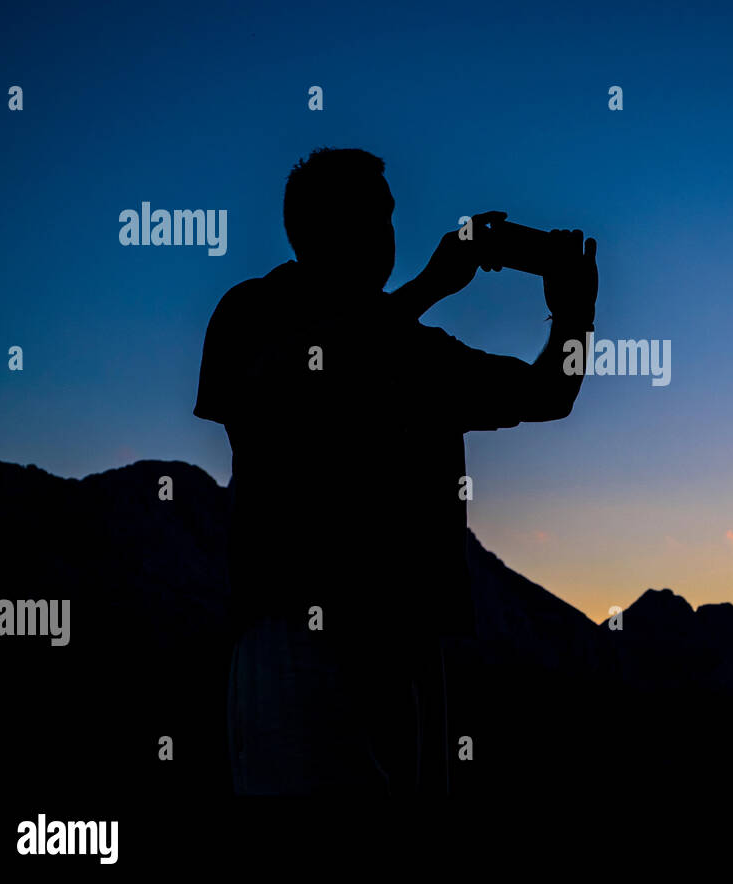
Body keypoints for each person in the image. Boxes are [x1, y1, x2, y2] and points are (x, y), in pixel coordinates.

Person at [192, 147, 597, 795]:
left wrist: (576, 315)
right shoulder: (258, 310)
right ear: (320, 227)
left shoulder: (419, 350)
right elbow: (307, 374)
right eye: (373, 216)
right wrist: (428, 288)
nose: (387, 234)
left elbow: (550, 395)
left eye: (388, 217)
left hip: (408, 641)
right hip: (300, 633)